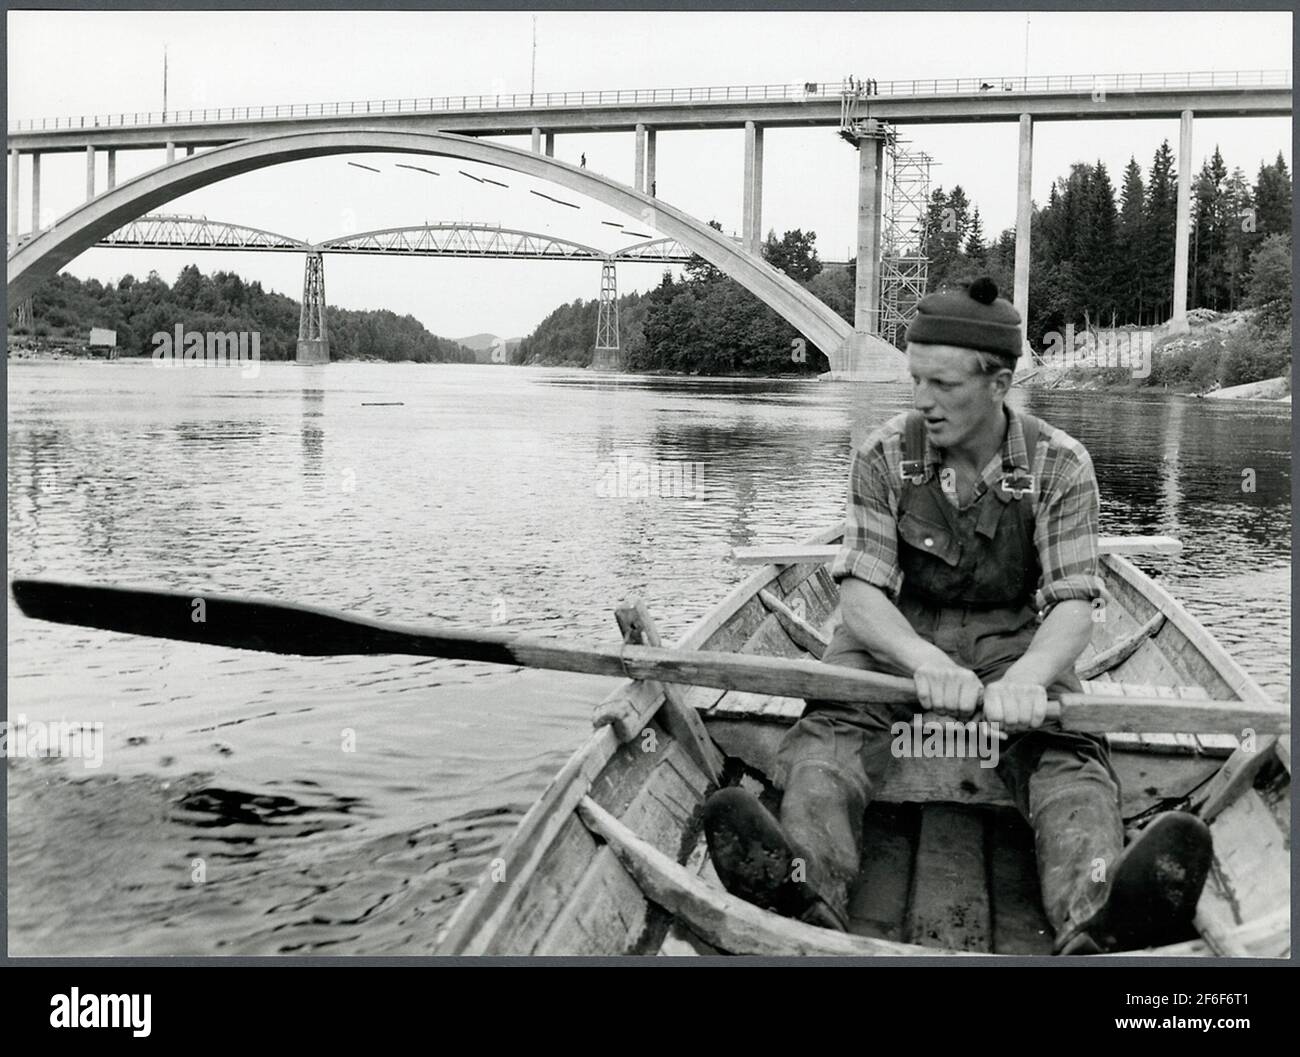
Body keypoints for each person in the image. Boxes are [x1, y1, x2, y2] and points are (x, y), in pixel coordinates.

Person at [704, 277, 1213, 954]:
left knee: (1067, 757)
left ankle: (1098, 908)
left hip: (1011, 645)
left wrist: (1032, 675)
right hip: (889, 639)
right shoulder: (882, 454)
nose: (922, 399)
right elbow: (859, 597)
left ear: (999, 383)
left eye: (943, 384)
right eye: (916, 380)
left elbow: (1073, 602)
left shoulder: (1061, 466)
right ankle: (804, 886)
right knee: (827, 739)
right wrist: (927, 662)